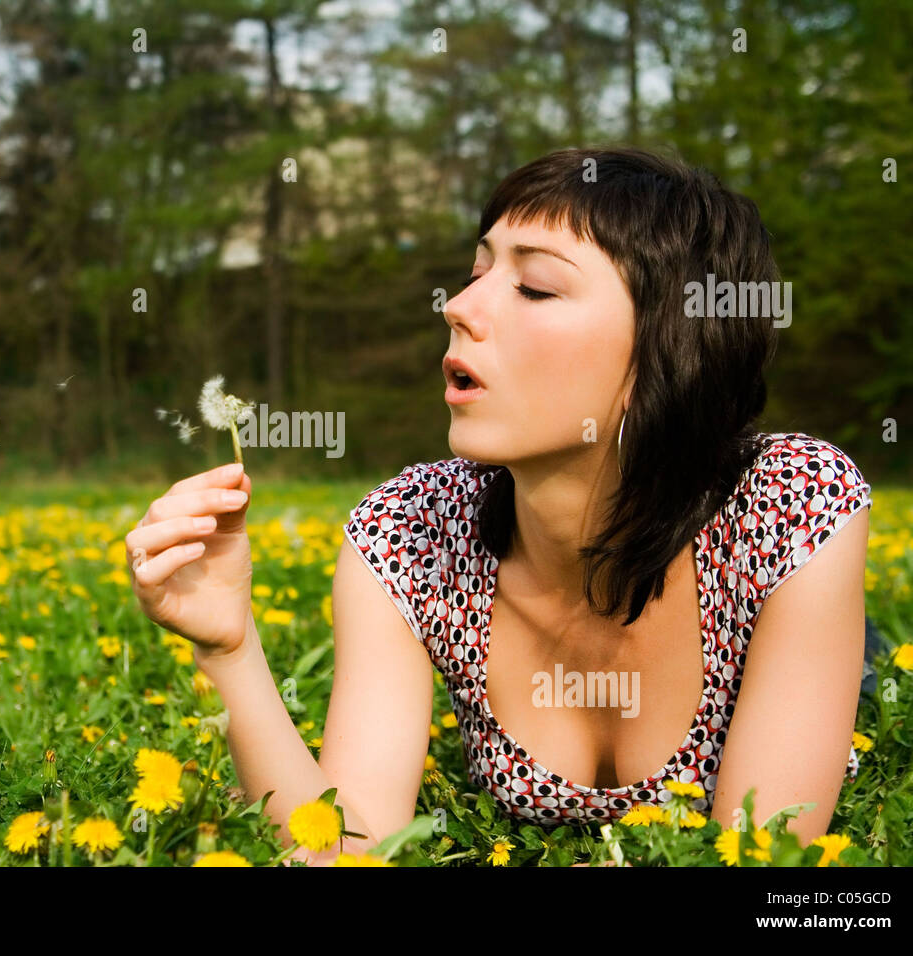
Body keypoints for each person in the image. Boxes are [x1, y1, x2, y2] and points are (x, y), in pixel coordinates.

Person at [125, 146, 873, 865]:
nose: (458, 306)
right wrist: (230, 649)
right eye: (477, 271)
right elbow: (348, 851)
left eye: (535, 287)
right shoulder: (411, 532)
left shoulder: (791, 509)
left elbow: (762, 861)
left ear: (669, 350)